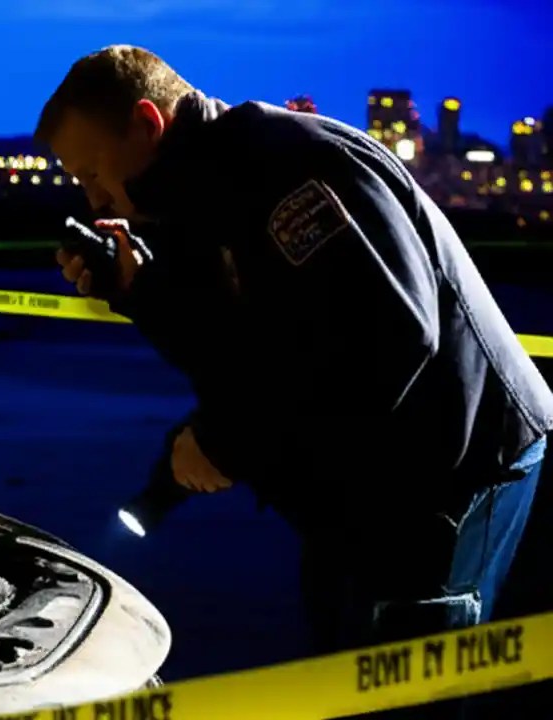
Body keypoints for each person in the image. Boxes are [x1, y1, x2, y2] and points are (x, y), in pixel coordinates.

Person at [34, 45, 553, 671]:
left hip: (451, 471)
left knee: (400, 676)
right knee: (343, 657)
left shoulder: (289, 168)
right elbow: (239, 353)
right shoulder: (206, 202)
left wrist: (227, 444)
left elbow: (385, 344)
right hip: (367, 488)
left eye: (92, 174)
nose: (95, 202)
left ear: (148, 125)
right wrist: (138, 291)